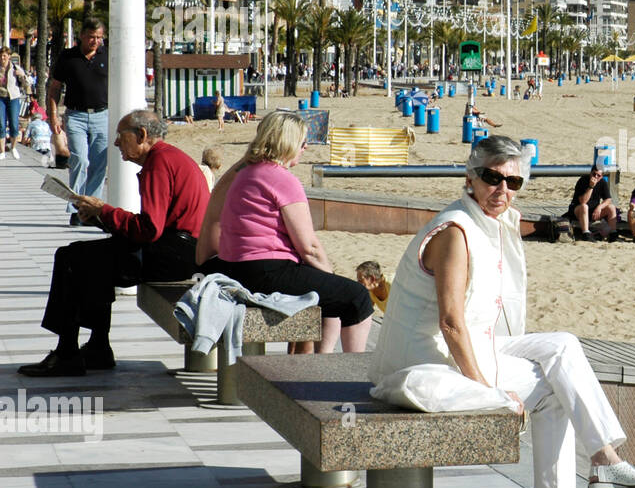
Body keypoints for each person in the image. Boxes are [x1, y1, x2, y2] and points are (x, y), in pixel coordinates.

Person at [369, 136, 635, 488]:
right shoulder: (456, 231)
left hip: (464, 348)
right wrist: (486, 390)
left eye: (513, 182)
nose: (502, 190)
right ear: (470, 177)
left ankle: (605, 458)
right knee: (554, 387)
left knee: (563, 346)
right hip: (425, 367)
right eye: (492, 178)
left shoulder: (487, 223)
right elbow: (451, 322)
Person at [19, 110, 209, 377]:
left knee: (71, 257)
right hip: (181, 251)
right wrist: (100, 216)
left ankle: (67, 352)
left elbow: (149, 229)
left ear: (142, 135)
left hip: (173, 255)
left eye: (121, 135)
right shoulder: (168, 158)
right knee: (95, 258)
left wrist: (104, 211)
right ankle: (97, 346)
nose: (117, 142)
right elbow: (151, 227)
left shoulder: (160, 162)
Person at [197, 110, 373, 353]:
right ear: (287, 143)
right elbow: (309, 247)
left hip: (235, 268)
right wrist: (330, 275)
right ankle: (354, 373)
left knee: (331, 293)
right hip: (265, 273)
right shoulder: (282, 179)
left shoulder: (245, 174)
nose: (306, 148)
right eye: (303, 142)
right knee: (357, 298)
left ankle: (321, 361)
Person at [48, 19, 109, 224]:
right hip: (76, 116)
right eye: (92, 36)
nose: (95, 41)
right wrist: (53, 115)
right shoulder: (68, 56)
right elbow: (55, 88)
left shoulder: (107, 55)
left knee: (100, 164)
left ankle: (90, 210)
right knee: (80, 160)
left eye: (99, 37)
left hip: (102, 115)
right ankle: (75, 207)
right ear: (82, 36)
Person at [568, 162, 617, 241]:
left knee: (611, 207)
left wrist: (599, 207)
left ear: (602, 176)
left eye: (599, 175)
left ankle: (613, 233)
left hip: (593, 212)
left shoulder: (602, 182)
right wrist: (591, 186)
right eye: (594, 174)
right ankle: (586, 233)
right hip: (578, 211)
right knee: (584, 206)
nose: (596, 177)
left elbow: (608, 199)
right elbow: (583, 201)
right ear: (590, 173)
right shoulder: (583, 181)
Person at [0, 47, 29, 160]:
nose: (2, 58)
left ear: (9, 56)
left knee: (14, 123)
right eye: (1, 55)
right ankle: (2, 151)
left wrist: (22, 75)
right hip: (1, 98)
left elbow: (26, 82)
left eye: (5, 56)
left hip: (13, 98)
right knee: (1, 124)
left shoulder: (15, 68)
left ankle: (13, 147)